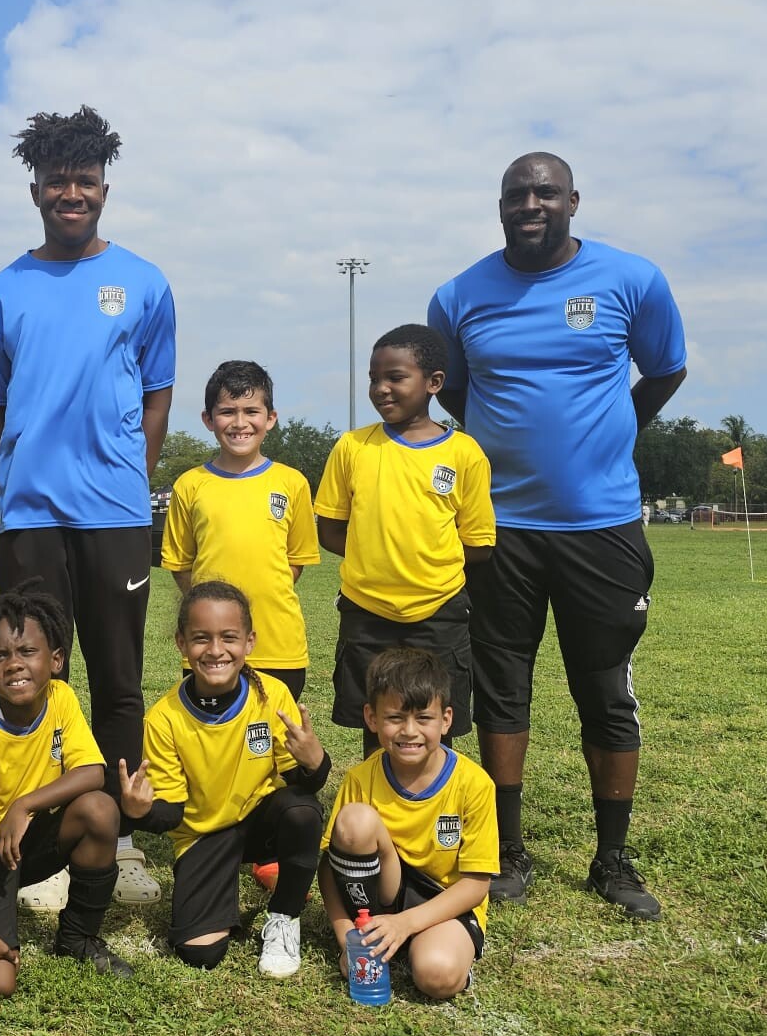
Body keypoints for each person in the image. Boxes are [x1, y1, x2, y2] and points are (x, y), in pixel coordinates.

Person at [427, 152, 687, 920]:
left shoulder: (632, 280)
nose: (530, 203)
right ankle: (505, 850)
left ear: (573, 200)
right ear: (499, 205)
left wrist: (609, 437)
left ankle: (612, 859)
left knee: (604, 691)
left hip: (600, 526)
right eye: (516, 194)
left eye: (545, 192)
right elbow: (458, 393)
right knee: (504, 688)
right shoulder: (459, 295)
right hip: (497, 529)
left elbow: (664, 370)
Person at [0, 105, 176, 907]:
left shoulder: (146, 283)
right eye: (57, 180)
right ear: (35, 190)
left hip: (116, 515)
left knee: (118, 680)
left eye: (84, 179)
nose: (71, 192)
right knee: (34, 679)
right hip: (30, 518)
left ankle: (115, 841)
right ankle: (40, 843)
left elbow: (157, 393)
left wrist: (129, 475)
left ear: (104, 187)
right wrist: (19, 477)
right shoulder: (2, 289)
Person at [0, 587, 142, 1004]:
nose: (14, 665)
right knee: (0, 983)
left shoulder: (60, 698)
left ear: (56, 660)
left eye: (27, 651)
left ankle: (79, 938)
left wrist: (24, 804)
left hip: (24, 840)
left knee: (99, 810)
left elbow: (91, 772)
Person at [125, 582, 328, 977]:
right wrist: (140, 811)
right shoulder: (164, 718)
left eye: (228, 638)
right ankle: (220, 886)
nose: (216, 650)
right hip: (205, 834)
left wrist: (315, 761)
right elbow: (169, 813)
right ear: (181, 644)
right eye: (201, 638)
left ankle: (285, 918)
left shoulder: (272, 695)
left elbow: (306, 783)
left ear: (249, 642)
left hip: (260, 821)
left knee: (302, 810)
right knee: (200, 954)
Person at [315, 324, 494, 758]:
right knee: (376, 724)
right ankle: (376, 818)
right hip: (367, 612)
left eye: (396, 377)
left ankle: (432, 810)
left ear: (433, 383)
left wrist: (425, 562)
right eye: (375, 378)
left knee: (433, 721)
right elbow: (330, 529)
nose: (381, 389)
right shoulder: (352, 447)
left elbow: (480, 544)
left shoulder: (464, 453)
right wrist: (376, 555)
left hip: (439, 613)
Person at [320, 647, 497, 1000]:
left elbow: (476, 884)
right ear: (371, 718)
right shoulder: (360, 778)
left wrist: (407, 924)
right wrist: (346, 939)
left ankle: (423, 943)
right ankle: (373, 932)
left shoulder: (474, 784)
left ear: (446, 719)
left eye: (423, 718)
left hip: (444, 901)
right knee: (355, 821)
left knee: (437, 976)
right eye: (396, 717)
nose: (409, 731)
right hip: (383, 893)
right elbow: (329, 869)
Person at [159, 360, 319, 699]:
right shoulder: (189, 486)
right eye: (227, 412)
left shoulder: (292, 484)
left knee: (275, 742)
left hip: (278, 645)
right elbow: (181, 565)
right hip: (210, 648)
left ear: (270, 418)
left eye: (251, 411)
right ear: (208, 419)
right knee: (211, 739)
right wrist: (214, 607)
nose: (240, 423)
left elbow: (295, 561)